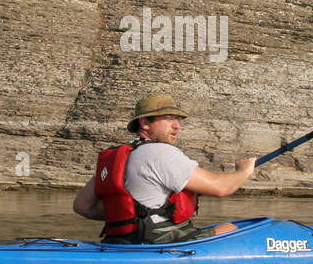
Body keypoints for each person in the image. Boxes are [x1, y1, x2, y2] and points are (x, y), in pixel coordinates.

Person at [73, 92, 256, 243]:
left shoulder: (116, 157)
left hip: (120, 241)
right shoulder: (160, 153)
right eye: (169, 118)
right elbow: (220, 187)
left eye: (177, 119)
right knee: (233, 230)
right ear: (145, 123)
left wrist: (129, 217)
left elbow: (83, 207)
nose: (177, 125)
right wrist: (244, 171)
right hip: (159, 240)